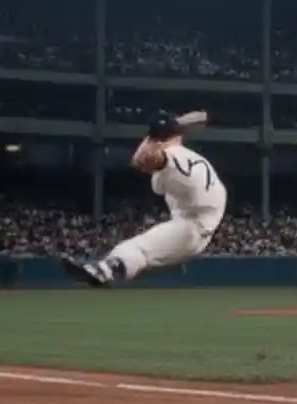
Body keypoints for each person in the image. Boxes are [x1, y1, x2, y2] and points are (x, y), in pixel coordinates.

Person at [61, 111, 226, 286]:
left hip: (193, 225)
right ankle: (108, 269)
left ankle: (105, 270)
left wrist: (155, 136)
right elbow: (139, 162)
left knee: (139, 247)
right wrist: (162, 132)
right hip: (200, 223)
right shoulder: (189, 156)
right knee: (142, 251)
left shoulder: (173, 155)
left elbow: (145, 159)